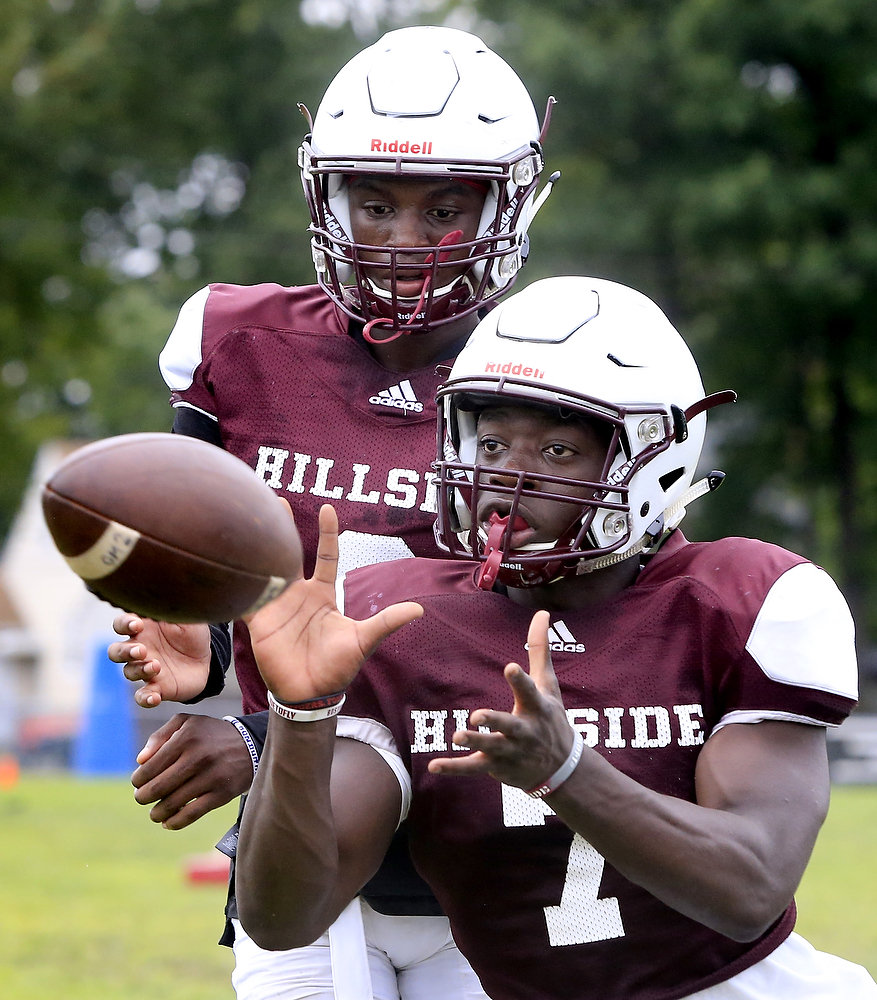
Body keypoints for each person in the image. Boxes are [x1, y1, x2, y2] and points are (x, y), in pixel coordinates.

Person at [234, 275, 877, 1000]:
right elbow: (283, 917)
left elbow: (748, 889)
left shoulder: (741, 598)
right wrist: (300, 716)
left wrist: (567, 770)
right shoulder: (397, 616)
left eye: (557, 453)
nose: (507, 479)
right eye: (494, 442)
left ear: (653, 455)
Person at [108, 24, 557, 1000]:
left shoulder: (554, 375)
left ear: (511, 199)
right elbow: (237, 590)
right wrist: (206, 654)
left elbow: (560, 641)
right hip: (304, 838)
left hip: (494, 841)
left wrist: (259, 737)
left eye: (446, 206)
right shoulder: (232, 341)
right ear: (326, 194)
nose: (402, 240)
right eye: (376, 201)